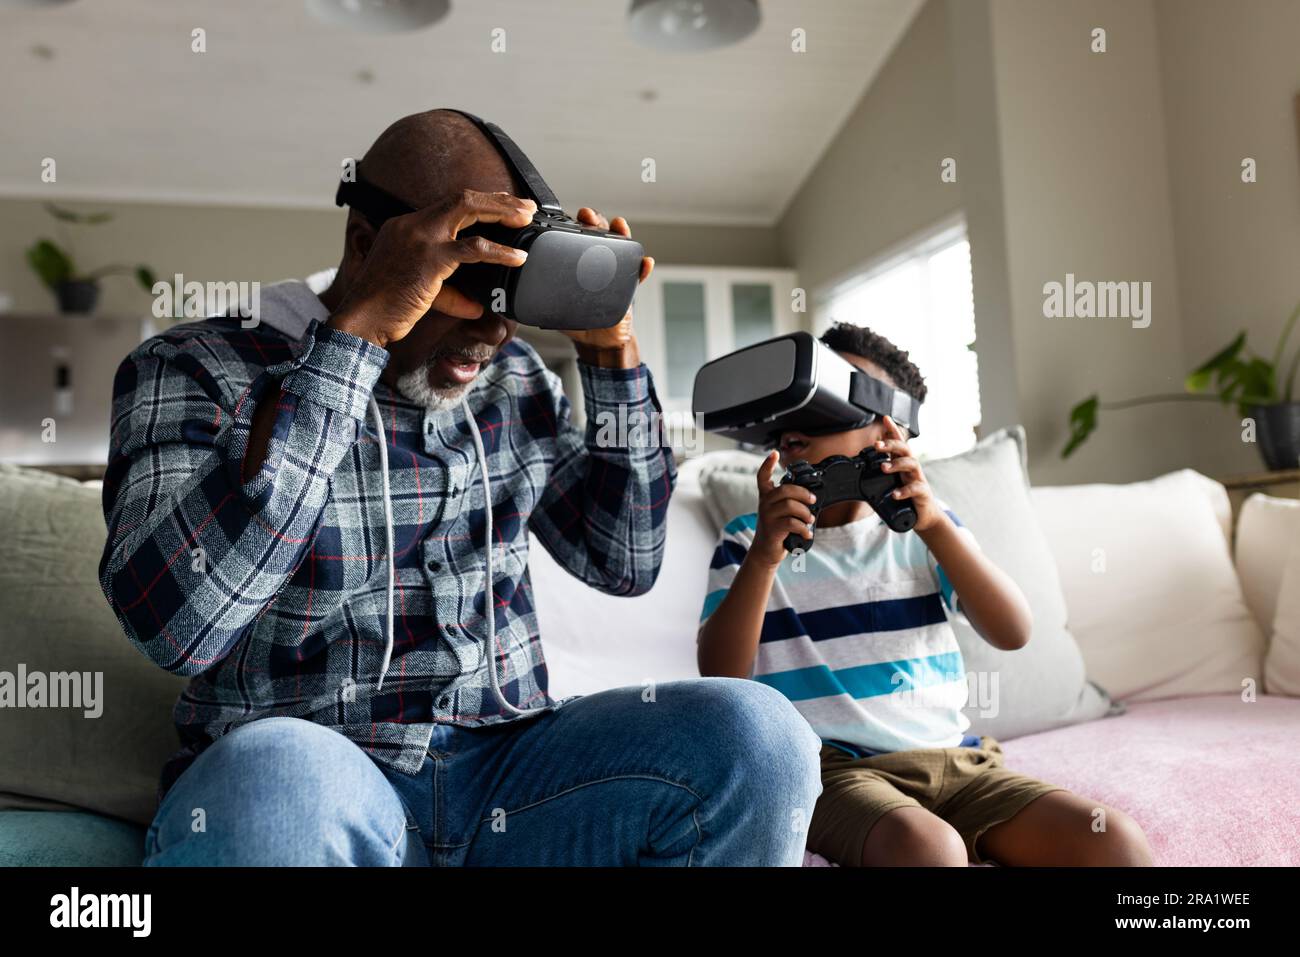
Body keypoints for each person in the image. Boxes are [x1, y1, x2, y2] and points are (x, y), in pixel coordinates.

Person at [100, 109, 821, 866]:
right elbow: (178, 629)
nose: (497, 329)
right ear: (369, 244)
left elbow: (624, 560)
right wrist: (354, 344)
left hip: (517, 773)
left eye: (511, 289)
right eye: (470, 277)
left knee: (757, 738)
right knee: (273, 783)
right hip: (320, 769)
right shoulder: (198, 364)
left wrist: (613, 355)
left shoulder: (514, 379)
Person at [697, 322, 1152, 867]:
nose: (800, 415)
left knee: (1114, 842)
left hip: (955, 763)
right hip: (830, 772)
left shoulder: (928, 532)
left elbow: (1013, 631)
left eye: (832, 395)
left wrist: (934, 525)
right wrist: (766, 556)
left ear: (889, 429)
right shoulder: (751, 537)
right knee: (929, 849)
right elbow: (721, 675)